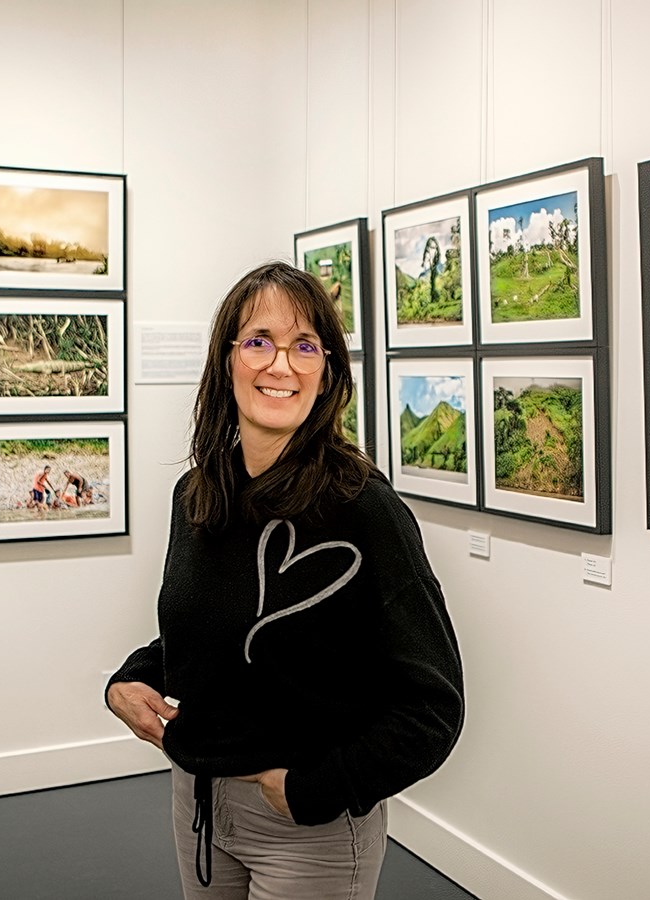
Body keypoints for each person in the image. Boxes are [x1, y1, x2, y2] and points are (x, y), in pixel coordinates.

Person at [105, 262, 464, 899]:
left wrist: (312, 791)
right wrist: (131, 678)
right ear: (226, 361)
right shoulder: (197, 495)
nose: (281, 365)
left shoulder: (362, 508)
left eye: (304, 346)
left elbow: (433, 707)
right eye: (259, 341)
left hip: (307, 827)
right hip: (198, 801)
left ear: (326, 373)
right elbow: (214, 633)